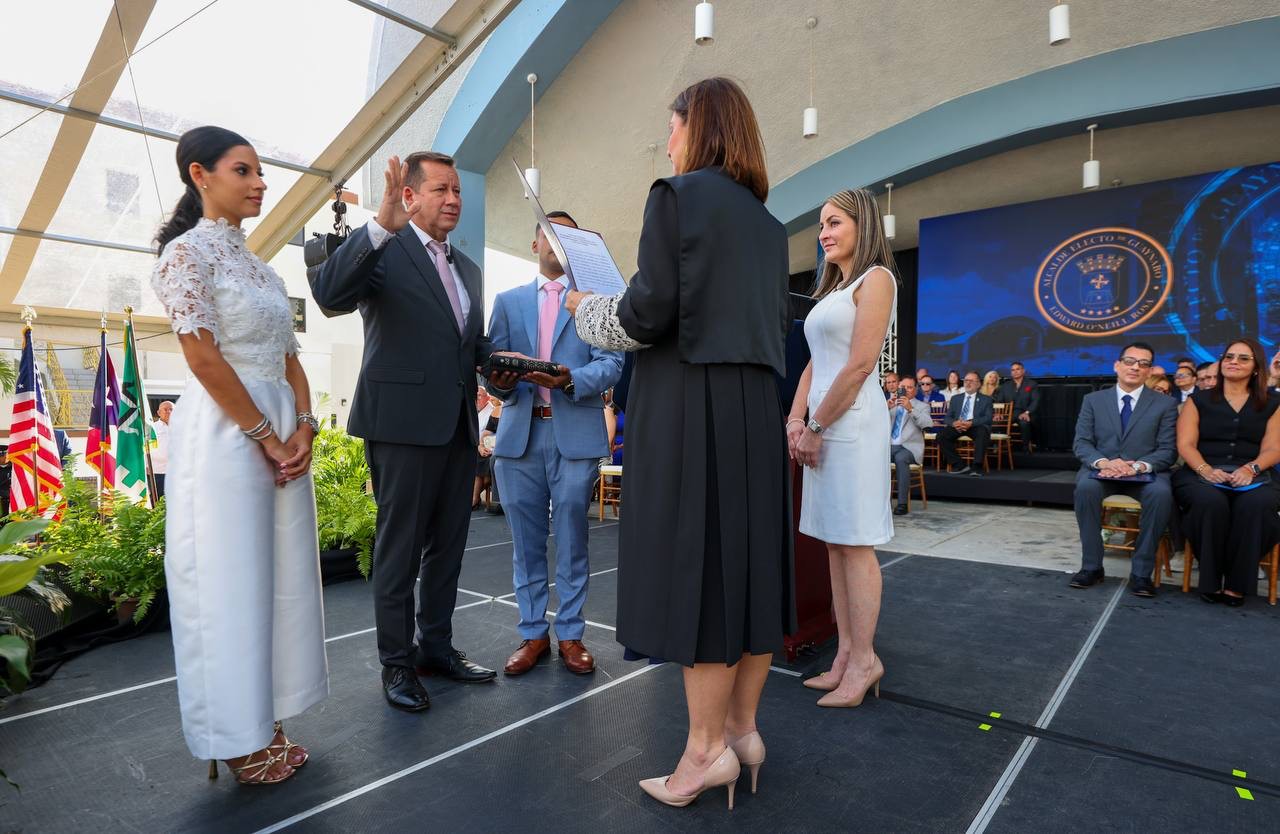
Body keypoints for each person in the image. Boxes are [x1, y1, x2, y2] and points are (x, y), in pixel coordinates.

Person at [566, 77, 793, 810]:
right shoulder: (767, 223)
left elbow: (645, 314)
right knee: (750, 572)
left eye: (672, 128)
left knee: (699, 582)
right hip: (754, 411)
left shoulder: (677, 194)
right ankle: (744, 732)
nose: (666, 143)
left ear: (697, 128)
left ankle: (702, 755)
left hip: (692, 409)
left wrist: (584, 309)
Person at [150, 126, 326, 785]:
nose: (259, 183)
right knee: (226, 585)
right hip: (225, 436)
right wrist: (267, 435)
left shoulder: (259, 265)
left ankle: (268, 718)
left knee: (276, 581)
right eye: (243, 170)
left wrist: (304, 425)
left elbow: (289, 358)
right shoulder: (184, 256)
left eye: (260, 172)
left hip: (280, 425)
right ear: (200, 175)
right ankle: (231, 735)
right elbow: (200, 357)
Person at [311, 150, 517, 712]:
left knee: (448, 549)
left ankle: (436, 648)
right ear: (410, 196)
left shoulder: (469, 269)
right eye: (442, 190)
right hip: (400, 426)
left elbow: (470, 348)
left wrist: (505, 367)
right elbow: (328, 296)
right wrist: (378, 224)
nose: (454, 200)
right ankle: (396, 664)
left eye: (458, 192)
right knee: (399, 552)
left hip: (455, 429)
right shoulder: (384, 247)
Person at [486, 211, 623, 677]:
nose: (554, 242)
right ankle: (532, 633)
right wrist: (502, 382)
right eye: (546, 232)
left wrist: (568, 380)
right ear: (533, 243)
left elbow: (611, 365)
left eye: (564, 235)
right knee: (525, 544)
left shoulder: (596, 302)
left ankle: (571, 634)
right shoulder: (506, 302)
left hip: (575, 436)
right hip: (519, 436)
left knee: (572, 539)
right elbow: (494, 373)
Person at [788, 186, 897, 713]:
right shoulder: (833, 289)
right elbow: (814, 362)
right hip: (822, 423)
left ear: (863, 225)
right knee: (833, 543)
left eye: (835, 223)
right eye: (822, 226)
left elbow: (858, 366)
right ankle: (844, 656)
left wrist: (815, 426)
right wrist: (794, 417)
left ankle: (864, 661)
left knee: (856, 544)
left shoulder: (877, 279)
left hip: (851, 425)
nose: (824, 233)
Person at [1174, 338, 1280, 606]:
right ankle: (1209, 580)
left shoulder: (1273, 403)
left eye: (1243, 358)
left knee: (1257, 504)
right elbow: (1185, 444)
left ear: (1256, 367)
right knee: (1210, 502)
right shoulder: (1198, 400)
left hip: (1255, 473)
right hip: (1201, 471)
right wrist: (1205, 470)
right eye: (1229, 356)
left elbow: (1273, 447)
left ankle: (1237, 583)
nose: (1234, 362)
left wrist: (1251, 468)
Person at [1068, 342, 1177, 597]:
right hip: (1102, 470)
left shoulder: (1164, 405)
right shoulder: (1092, 400)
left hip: (1145, 471)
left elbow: (1167, 450)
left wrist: (1137, 466)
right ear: (1117, 365)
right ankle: (1092, 566)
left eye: (1143, 363)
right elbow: (1082, 442)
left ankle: (1141, 573)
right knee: (1085, 487)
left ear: (1150, 371)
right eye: (1129, 361)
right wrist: (1104, 463)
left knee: (1161, 495)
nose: (1135, 367)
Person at [889, 377, 934, 516]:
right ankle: (875, 501)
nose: (906, 390)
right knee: (873, 456)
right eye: (903, 387)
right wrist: (885, 409)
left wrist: (911, 409)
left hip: (908, 449)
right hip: (889, 446)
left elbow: (928, 424)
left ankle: (902, 504)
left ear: (915, 389)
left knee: (901, 458)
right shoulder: (892, 405)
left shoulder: (922, 406)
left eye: (909, 387)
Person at [936, 371, 993, 476]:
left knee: (983, 432)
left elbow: (988, 418)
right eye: (966, 380)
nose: (968, 383)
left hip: (975, 426)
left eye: (971, 381)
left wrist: (971, 423)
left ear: (978, 384)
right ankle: (960, 465)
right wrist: (954, 423)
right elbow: (947, 418)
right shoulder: (956, 398)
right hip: (958, 425)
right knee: (941, 436)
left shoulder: (986, 399)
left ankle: (977, 466)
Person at [996, 361, 1040, 449]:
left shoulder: (1031, 384)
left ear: (1023, 371)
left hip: (1025, 412)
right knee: (995, 422)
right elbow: (999, 401)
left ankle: (1025, 447)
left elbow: (1035, 401)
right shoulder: (1005, 386)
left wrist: (1027, 413)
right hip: (1009, 414)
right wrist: (998, 413)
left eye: (1017, 369)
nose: (1015, 372)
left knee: (1024, 423)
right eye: (1012, 370)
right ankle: (996, 446)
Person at [473, 388, 497, 508]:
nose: (477, 399)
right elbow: (484, 434)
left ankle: (474, 498)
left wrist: (481, 446)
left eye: (480, 396)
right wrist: (480, 446)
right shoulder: (478, 411)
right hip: (483, 447)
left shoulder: (491, 410)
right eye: (475, 396)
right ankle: (474, 497)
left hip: (496, 448)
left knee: (482, 459)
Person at [151, 400, 173, 499]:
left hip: (176, 472)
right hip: (157, 472)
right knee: (157, 502)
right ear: (159, 413)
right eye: (165, 409)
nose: (169, 412)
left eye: (171, 410)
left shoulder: (182, 428)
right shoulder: (152, 428)